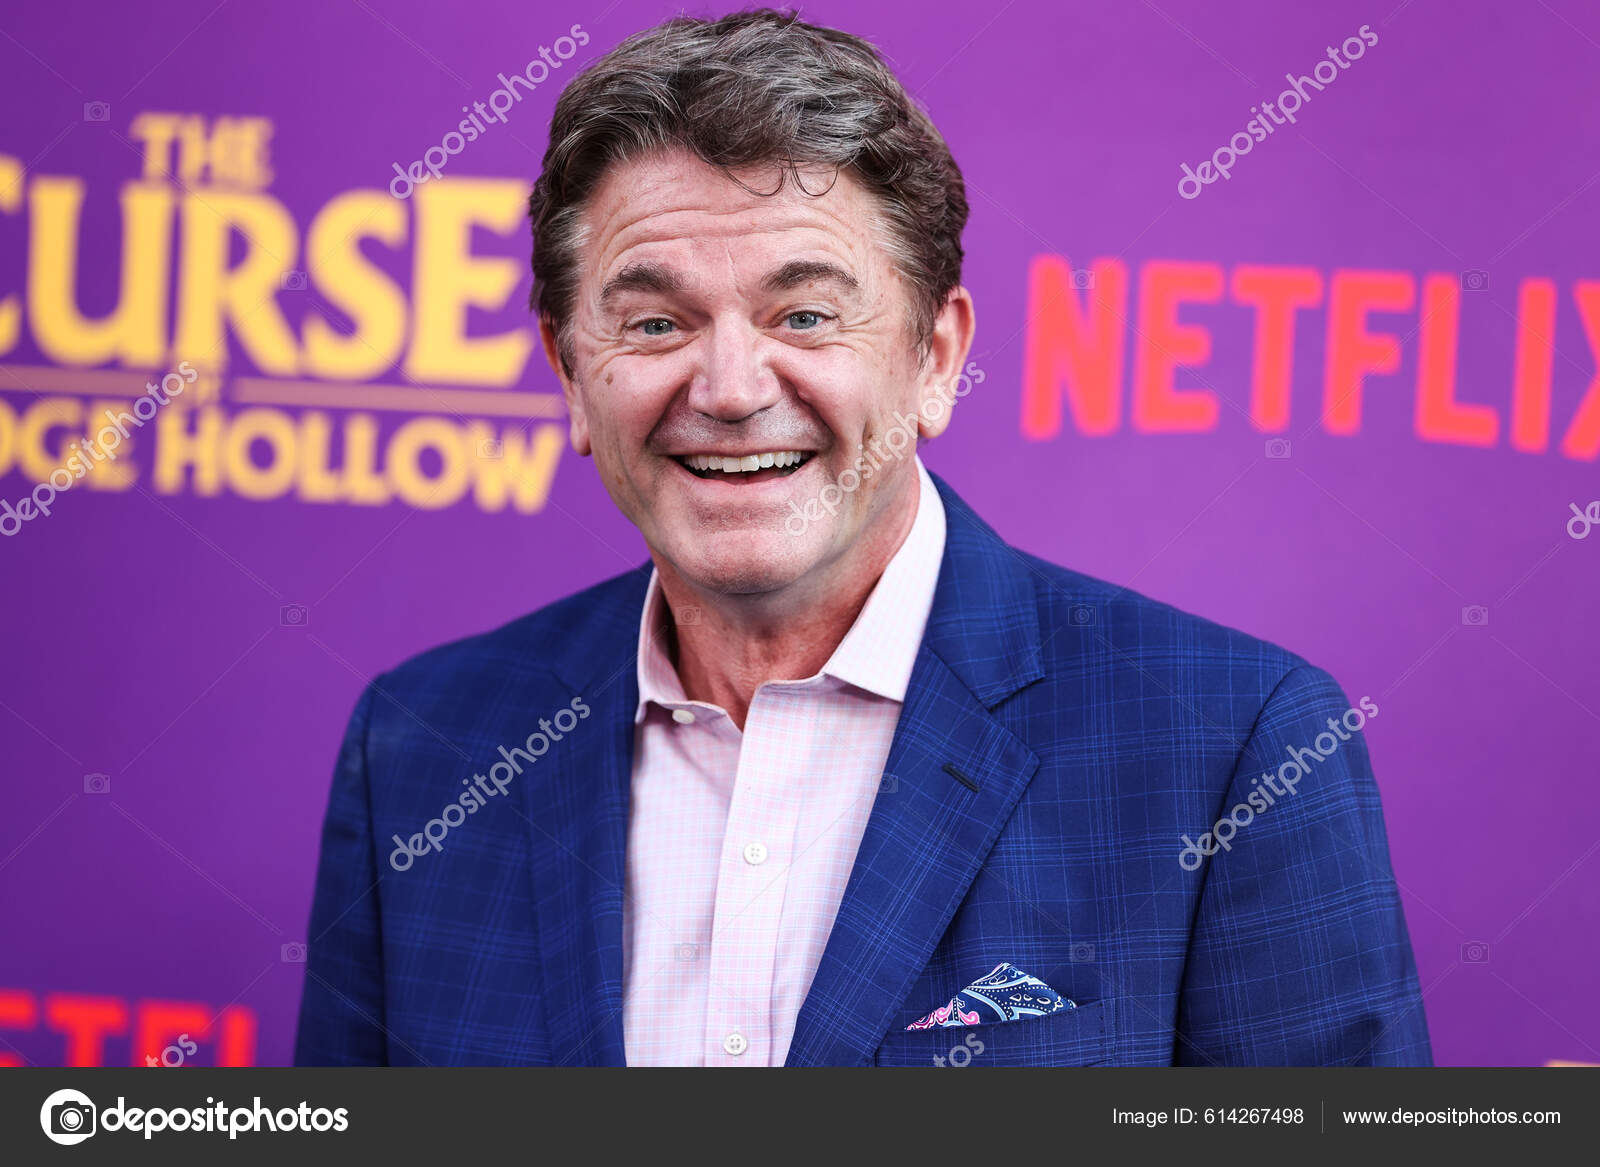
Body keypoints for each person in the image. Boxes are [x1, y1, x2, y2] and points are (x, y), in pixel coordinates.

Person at [295, 9, 1430, 1067]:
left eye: (804, 315)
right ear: (571, 376)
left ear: (935, 359)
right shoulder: (424, 749)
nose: (732, 388)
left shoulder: (1232, 748)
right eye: (654, 322)